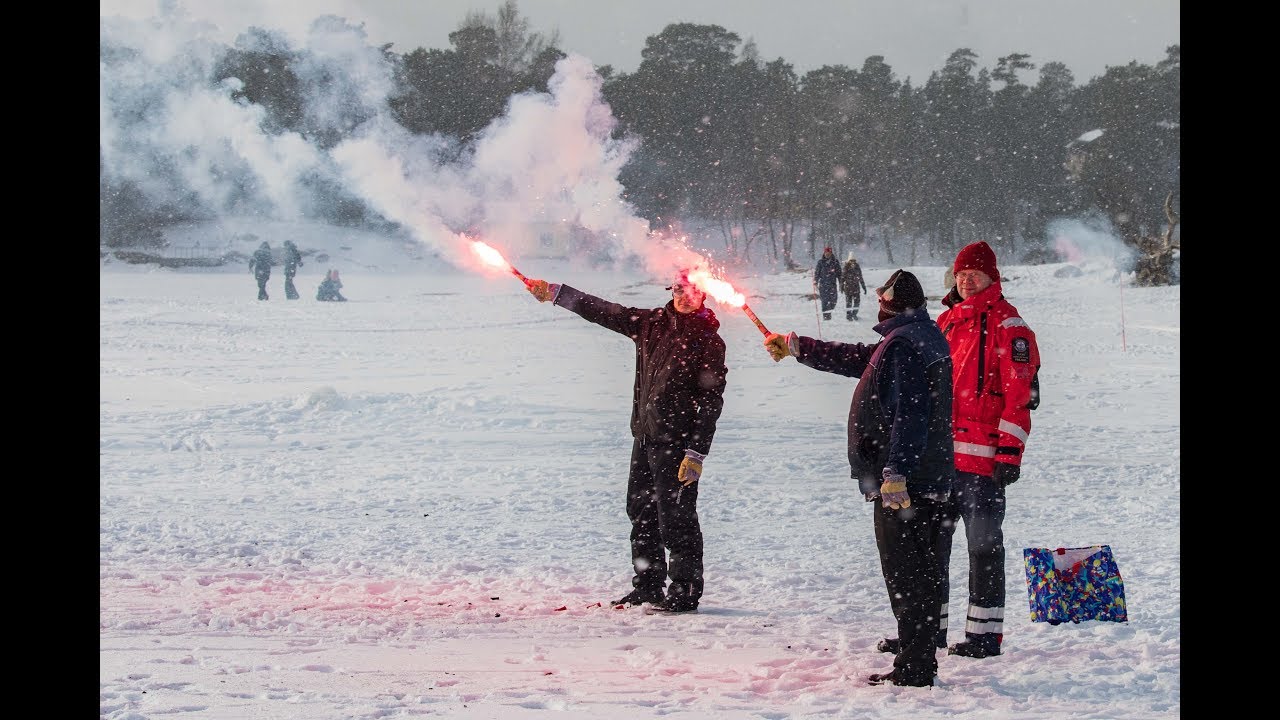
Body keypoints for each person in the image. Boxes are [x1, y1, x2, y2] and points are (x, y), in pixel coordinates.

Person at [763, 269, 954, 688]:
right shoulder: (912, 337)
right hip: (924, 477)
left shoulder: (904, 345)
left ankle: (915, 665)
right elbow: (859, 359)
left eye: (882, 299)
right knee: (917, 570)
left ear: (888, 302)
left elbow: (912, 414)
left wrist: (896, 473)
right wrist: (799, 347)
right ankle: (915, 651)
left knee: (908, 572)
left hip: (910, 483)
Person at [524, 269, 728, 615]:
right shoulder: (651, 323)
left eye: (691, 291)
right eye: (678, 288)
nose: (683, 296)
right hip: (645, 436)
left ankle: (685, 590)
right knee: (642, 511)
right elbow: (603, 310)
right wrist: (558, 292)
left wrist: (696, 453)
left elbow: (711, 402)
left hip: (679, 446)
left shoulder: (709, 340)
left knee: (676, 517)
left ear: (704, 295)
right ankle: (648, 585)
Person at [877, 241, 1041, 660]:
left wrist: (1009, 452)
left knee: (983, 544)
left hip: (984, 461)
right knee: (932, 547)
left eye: (976, 274)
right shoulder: (945, 321)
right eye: (962, 274)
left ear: (992, 278)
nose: (967, 281)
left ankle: (984, 635)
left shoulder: (1010, 327)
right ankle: (926, 629)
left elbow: (1020, 396)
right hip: (939, 460)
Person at [839, 252, 868, 321]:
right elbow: (842, 278)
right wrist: (841, 287)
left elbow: (860, 277)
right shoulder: (846, 267)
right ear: (849, 261)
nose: (853, 262)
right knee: (849, 303)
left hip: (856, 288)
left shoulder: (857, 267)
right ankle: (848, 315)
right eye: (851, 260)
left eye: (854, 260)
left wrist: (864, 287)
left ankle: (854, 314)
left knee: (857, 302)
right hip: (848, 288)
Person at [814, 246, 841, 321]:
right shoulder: (820, 262)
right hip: (823, 286)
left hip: (832, 285)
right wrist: (815, 282)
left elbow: (839, 273)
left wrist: (841, 283)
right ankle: (826, 317)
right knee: (824, 302)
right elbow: (817, 273)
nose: (827, 254)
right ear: (824, 253)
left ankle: (829, 312)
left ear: (831, 253)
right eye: (826, 253)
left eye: (829, 253)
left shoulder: (835, 262)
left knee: (834, 301)